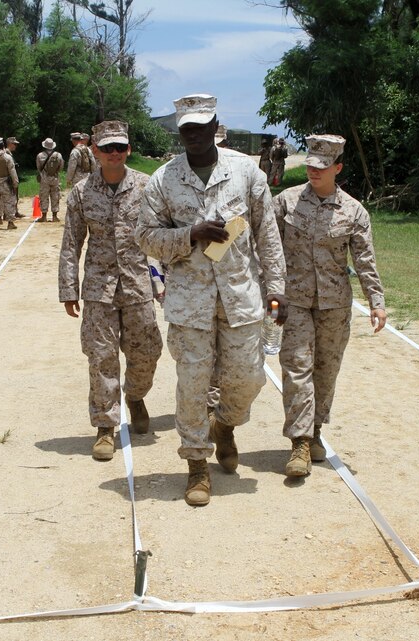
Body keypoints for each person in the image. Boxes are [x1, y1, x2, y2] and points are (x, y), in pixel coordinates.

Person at [137, 93, 287, 507]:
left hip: (240, 297)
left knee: (248, 378)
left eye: (201, 126)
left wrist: (277, 288)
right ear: (179, 130)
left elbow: (267, 234)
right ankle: (197, 465)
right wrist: (190, 234)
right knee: (192, 386)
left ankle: (224, 425)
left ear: (214, 124)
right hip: (190, 303)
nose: (194, 134)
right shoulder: (163, 180)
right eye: (186, 128)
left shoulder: (245, 171)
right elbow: (145, 237)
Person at [273, 135, 387, 477]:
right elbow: (267, 249)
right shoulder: (286, 203)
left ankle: (315, 431)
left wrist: (376, 302)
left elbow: (365, 260)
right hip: (294, 301)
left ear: (337, 167)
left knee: (326, 371)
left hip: (335, 305)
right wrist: (268, 292)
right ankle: (299, 443)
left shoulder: (354, 211)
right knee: (297, 367)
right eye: (309, 164)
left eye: (321, 167)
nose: (313, 171)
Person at [59, 120, 163, 461]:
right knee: (101, 357)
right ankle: (105, 426)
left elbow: (163, 237)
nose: (114, 154)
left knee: (147, 352)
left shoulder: (147, 187)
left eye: (120, 147)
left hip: (138, 283)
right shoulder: (81, 192)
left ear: (128, 150)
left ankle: (134, 395)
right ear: (95, 151)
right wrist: (68, 288)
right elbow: (72, 242)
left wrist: (167, 281)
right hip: (98, 289)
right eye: (107, 148)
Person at [36, 138, 64, 222]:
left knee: (44, 196)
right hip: (55, 177)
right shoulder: (58, 155)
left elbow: (38, 167)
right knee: (55, 196)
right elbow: (61, 167)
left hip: (44, 178)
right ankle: (54, 216)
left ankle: (44, 216)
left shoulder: (40, 155)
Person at [5, 136, 23, 218]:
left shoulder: (10, 153)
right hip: (8, 178)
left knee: (15, 195)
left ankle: (15, 211)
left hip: (12, 178)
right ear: (9, 144)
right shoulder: (6, 153)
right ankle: (7, 214)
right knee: (10, 197)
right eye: (14, 144)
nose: (15, 146)